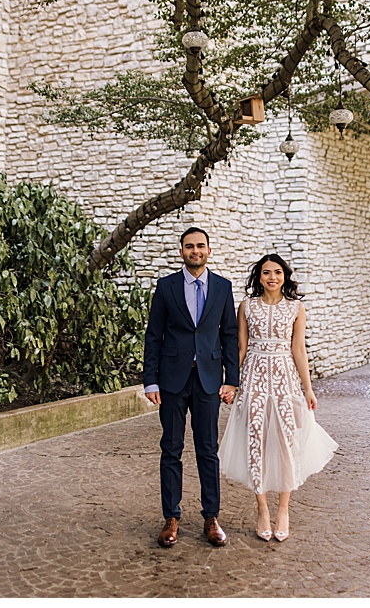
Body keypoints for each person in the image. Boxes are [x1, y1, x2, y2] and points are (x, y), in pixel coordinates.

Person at [219, 253, 338, 542]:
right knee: (255, 439)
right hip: (254, 378)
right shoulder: (247, 306)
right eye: (266, 273)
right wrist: (231, 383)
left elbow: (299, 349)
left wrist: (308, 388)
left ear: (285, 276)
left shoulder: (296, 308)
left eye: (277, 272)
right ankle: (262, 509)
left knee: (287, 440)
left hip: (285, 379)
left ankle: (283, 509)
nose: (272, 277)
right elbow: (241, 348)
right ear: (258, 277)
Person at [143, 227, 240, 547]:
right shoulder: (166, 287)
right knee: (170, 448)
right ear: (181, 251)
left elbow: (229, 335)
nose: (194, 251)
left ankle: (211, 517)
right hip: (171, 380)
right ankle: (171, 517)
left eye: (200, 246)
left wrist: (231, 379)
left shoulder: (223, 287)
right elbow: (153, 335)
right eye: (189, 247)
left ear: (209, 250)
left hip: (209, 380)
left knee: (207, 450)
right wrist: (150, 379)